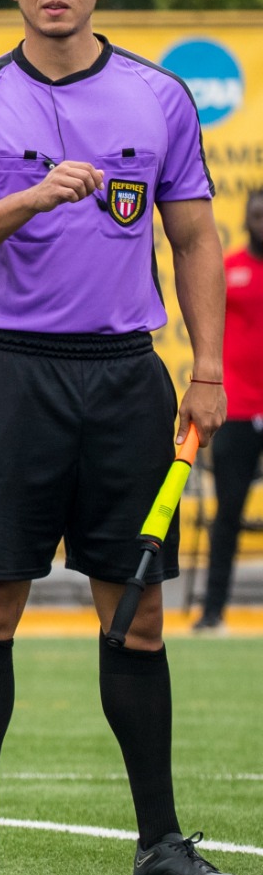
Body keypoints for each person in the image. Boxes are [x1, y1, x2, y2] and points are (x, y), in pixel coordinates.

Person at [0, 0, 243, 875]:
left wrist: (207, 368)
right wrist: (28, 196)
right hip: (11, 374)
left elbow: (194, 238)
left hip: (126, 378)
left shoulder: (158, 96)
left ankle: (160, 842)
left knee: (136, 616)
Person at [198, 189, 263, 632]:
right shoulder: (229, 269)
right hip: (238, 410)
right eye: (257, 214)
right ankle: (212, 613)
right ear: (245, 218)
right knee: (228, 514)